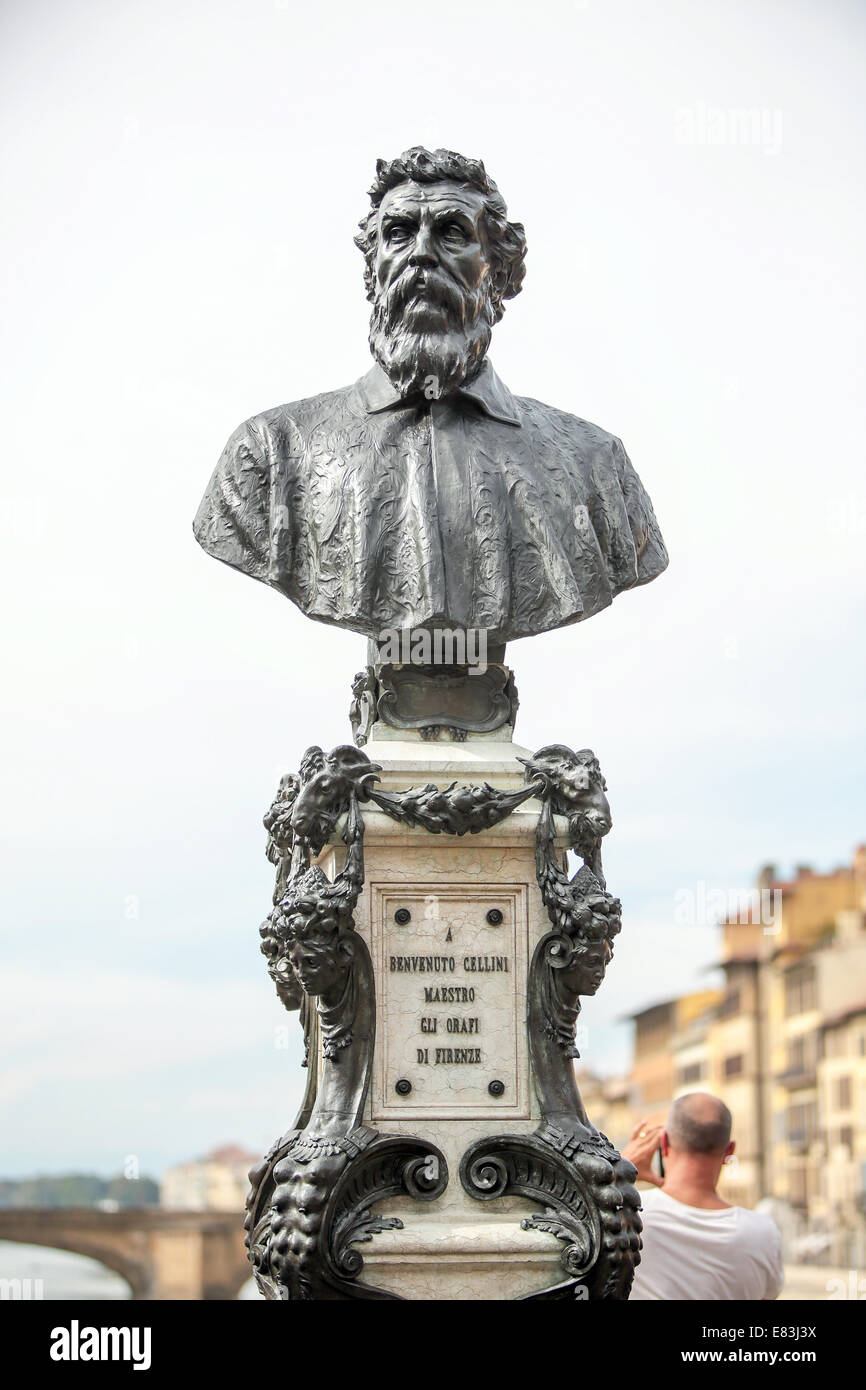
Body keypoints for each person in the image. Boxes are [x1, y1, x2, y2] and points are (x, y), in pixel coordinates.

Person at [193, 146, 668, 645]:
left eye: (452, 233)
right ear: (372, 273)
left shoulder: (593, 464)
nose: (421, 253)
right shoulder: (273, 452)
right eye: (398, 233)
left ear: (499, 275)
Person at [622, 1092, 784, 1300]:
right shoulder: (765, 1234)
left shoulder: (628, 1216)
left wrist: (619, 1172)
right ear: (730, 1151)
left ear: (664, 1142)